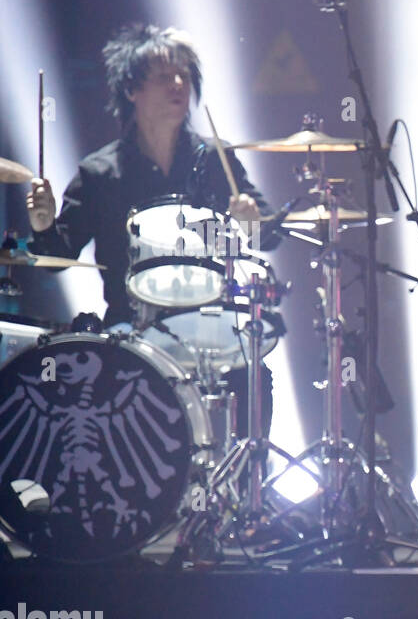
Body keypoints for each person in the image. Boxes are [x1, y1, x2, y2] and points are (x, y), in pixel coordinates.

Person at [26, 23, 275, 435]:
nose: (178, 84)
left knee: (255, 375)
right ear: (131, 90)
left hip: (208, 321)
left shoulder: (213, 159)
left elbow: (269, 235)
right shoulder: (100, 172)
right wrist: (42, 225)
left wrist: (252, 222)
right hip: (129, 327)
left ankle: (244, 488)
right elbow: (57, 257)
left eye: (184, 75)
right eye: (163, 76)